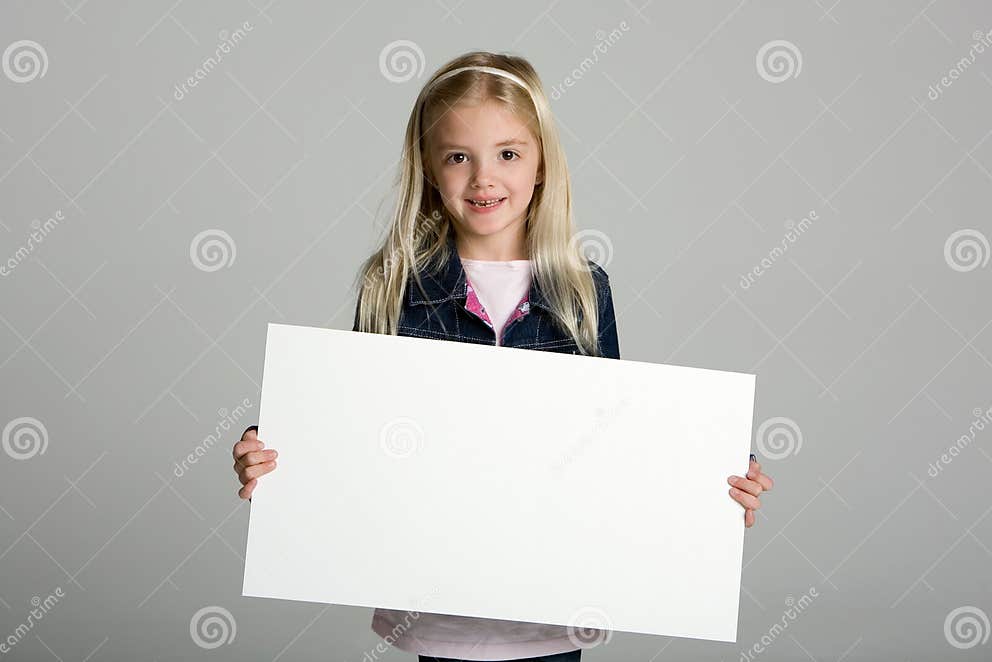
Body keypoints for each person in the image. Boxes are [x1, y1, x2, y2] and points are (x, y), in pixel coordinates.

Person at [232, 50, 775, 662]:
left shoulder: (583, 290)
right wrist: (276, 455)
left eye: (508, 154)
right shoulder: (392, 285)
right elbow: (355, 431)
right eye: (458, 156)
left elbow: (619, 438)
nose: (483, 178)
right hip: (435, 605)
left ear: (542, 164)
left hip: (553, 607)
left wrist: (712, 479)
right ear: (430, 170)